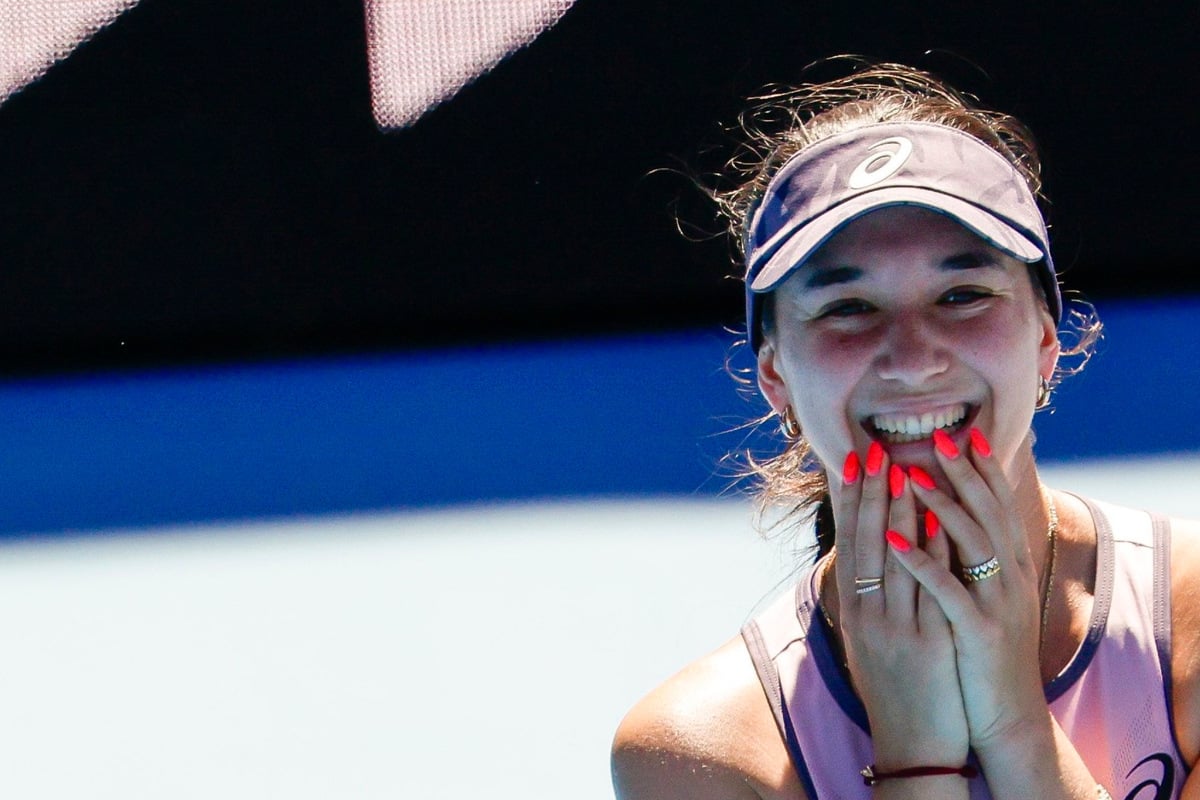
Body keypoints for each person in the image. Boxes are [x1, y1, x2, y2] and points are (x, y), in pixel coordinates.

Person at [610, 59, 1200, 799]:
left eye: (962, 295)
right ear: (775, 375)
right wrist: (916, 759)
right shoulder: (697, 753)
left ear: (1046, 341)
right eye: (848, 308)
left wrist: (1014, 720)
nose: (914, 360)